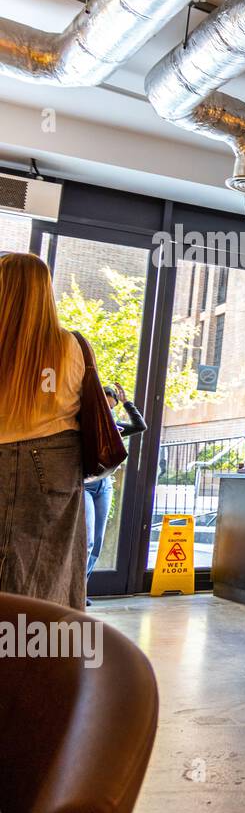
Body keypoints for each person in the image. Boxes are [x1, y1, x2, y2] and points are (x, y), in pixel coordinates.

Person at [0, 252, 94, 610]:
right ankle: (43, 654)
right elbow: (78, 403)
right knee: (52, 564)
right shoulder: (71, 346)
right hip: (54, 464)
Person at [85, 383, 147, 578]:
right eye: (106, 407)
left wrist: (127, 403)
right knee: (87, 541)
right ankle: (73, 591)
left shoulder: (115, 429)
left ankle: (82, 589)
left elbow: (140, 426)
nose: (109, 412)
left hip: (105, 486)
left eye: (112, 408)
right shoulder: (85, 423)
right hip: (84, 485)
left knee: (97, 539)